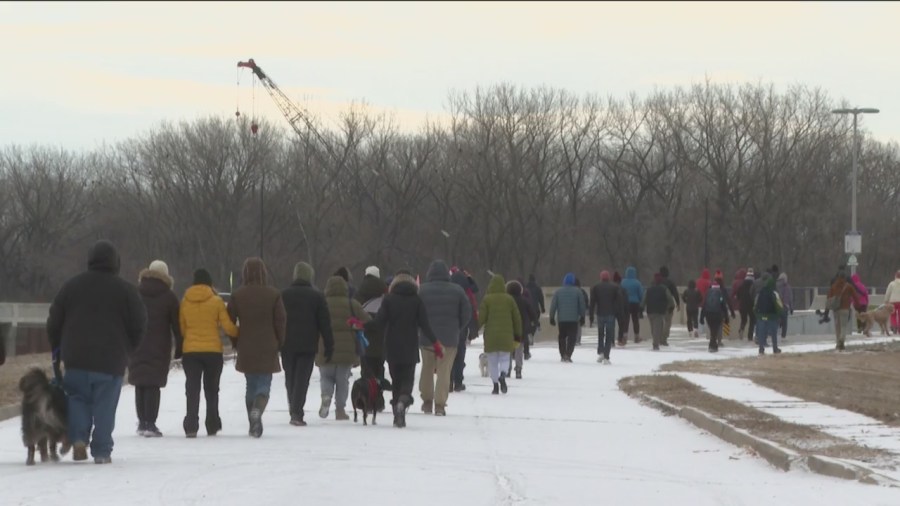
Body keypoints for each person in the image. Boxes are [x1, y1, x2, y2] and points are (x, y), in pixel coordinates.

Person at [47, 240, 147, 464]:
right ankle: (102, 450)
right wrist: (129, 349)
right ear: (116, 263)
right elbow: (140, 324)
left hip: (76, 357)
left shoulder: (71, 286)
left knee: (78, 399)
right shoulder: (126, 291)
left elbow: (54, 321)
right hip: (111, 359)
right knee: (105, 405)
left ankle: (79, 439)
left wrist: (56, 349)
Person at [358, 271, 442, 428]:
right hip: (410, 346)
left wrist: (362, 325)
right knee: (407, 380)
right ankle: (403, 402)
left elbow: (378, 323)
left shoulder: (389, 300)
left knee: (396, 381)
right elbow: (425, 325)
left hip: (391, 346)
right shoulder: (417, 301)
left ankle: (397, 414)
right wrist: (435, 343)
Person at [227, 257, 286, 438]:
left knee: (250, 385)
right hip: (268, 345)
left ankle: (253, 422)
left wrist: (235, 340)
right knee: (264, 385)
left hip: (246, 345)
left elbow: (229, 321)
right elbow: (281, 321)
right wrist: (279, 342)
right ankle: (257, 412)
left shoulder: (238, 295)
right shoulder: (274, 294)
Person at [179, 268, 238, 438]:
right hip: (213, 352)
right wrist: (239, 332)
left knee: (192, 388)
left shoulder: (185, 302)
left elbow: (182, 328)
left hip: (191, 352)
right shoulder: (217, 301)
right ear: (210, 283)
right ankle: (212, 423)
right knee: (212, 389)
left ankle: (191, 424)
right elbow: (228, 327)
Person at [129, 260, 182, 438]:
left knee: (140, 382)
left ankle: (142, 421)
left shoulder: (135, 293)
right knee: (153, 384)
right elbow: (177, 325)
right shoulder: (169, 296)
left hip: (136, 343)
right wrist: (180, 347)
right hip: (159, 345)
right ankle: (150, 423)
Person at [281, 261, 333, 426]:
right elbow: (324, 322)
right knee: (302, 378)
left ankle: (293, 407)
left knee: (290, 377)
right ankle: (297, 412)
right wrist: (329, 344)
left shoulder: (284, 294)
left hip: (287, 343)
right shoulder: (317, 296)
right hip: (308, 344)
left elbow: (277, 319)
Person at [418, 260, 470, 416]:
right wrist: (457, 328)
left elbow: (415, 312)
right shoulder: (457, 290)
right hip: (449, 338)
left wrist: (420, 329)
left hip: (427, 338)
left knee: (427, 369)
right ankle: (440, 404)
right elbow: (466, 313)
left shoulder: (422, 290)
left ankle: (427, 401)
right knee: (444, 371)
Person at [319, 275, 368, 421]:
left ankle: (326, 396)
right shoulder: (352, 304)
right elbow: (367, 321)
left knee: (326, 377)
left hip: (325, 347)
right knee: (343, 380)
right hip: (347, 349)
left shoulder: (322, 303)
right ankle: (340, 410)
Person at [478, 274, 522, 394]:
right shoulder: (509, 299)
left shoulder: (487, 299)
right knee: (504, 358)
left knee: (492, 361)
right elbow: (516, 318)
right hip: (506, 336)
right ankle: (503, 374)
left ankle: (495, 385)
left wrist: (473, 330)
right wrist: (518, 334)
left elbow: (481, 318)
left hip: (491, 337)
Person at [355, 265, 388, 386]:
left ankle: (367, 391)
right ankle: (378, 388)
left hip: (364, 334)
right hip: (381, 334)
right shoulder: (384, 291)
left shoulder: (359, 292)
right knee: (379, 364)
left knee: (366, 366)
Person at [450, 267, 479, 392]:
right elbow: (469, 312)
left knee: (449, 355)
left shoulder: (448, 292)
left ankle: (449, 380)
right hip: (461, 328)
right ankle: (458, 381)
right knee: (460, 355)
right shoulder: (466, 294)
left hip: (448, 328)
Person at [549, 273, 586, 362]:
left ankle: (563, 354)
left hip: (562, 319)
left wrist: (552, 317)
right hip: (573, 319)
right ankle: (568, 354)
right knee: (572, 338)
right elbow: (582, 305)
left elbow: (553, 305)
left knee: (562, 337)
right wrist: (582, 317)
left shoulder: (558, 292)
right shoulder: (578, 291)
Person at [506, 279, 537, 377]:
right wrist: (533, 323)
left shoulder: (506, 300)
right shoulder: (525, 300)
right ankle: (518, 368)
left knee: (508, 349)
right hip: (521, 328)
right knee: (519, 349)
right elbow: (532, 314)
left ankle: (508, 368)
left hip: (508, 328)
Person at [589, 270, 620, 364]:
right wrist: (619, 314)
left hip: (600, 313)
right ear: (608, 277)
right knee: (609, 335)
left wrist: (591, 315)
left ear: (601, 277)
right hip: (611, 313)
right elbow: (618, 302)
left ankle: (601, 352)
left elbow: (592, 303)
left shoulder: (596, 287)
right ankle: (606, 356)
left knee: (600, 334)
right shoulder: (614, 287)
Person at [642, 273, 675, 351]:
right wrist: (671, 306)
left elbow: (644, 299)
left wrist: (641, 307)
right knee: (657, 328)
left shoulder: (649, 289)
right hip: (659, 311)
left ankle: (655, 341)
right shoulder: (664, 289)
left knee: (653, 328)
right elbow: (670, 299)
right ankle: (655, 344)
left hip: (650, 310)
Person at [827, 273, 859, 351]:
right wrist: (857, 306)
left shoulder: (834, 286)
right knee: (843, 326)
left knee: (837, 327)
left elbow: (828, 297)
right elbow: (855, 296)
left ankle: (838, 343)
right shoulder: (848, 286)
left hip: (836, 309)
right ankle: (842, 340)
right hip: (845, 308)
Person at [699, 278, 730, 353]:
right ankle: (712, 346)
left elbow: (704, 305)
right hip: (717, 314)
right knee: (715, 330)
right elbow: (723, 306)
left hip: (708, 314)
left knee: (713, 330)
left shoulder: (708, 293)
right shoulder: (720, 293)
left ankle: (713, 345)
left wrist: (701, 317)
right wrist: (726, 317)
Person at [754, 275, 783, 355]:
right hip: (772, 316)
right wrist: (779, 314)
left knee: (761, 333)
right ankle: (775, 348)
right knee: (773, 333)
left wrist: (756, 313)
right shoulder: (774, 293)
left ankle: (761, 349)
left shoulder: (760, 292)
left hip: (761, 316)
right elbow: (779, 305)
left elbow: (756, 304)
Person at [620, 267, 645, 343]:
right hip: (635, 303)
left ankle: (624, 336)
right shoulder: (637, 283)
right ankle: (637, 337)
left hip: (625, 303)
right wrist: (641, 302)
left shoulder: (622, 282)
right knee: (635, 320)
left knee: (626, 320)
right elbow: (641, 294)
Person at [659, 266, 680, 345]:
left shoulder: (657, 282)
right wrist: (678, 303)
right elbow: (675, 293)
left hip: (659, 304)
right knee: (668, 322)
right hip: (668, 304)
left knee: (660, 322)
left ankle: (660, 337)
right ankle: (664, 338)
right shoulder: (670, 282)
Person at [737, 269, 756, 342]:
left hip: (742, 305)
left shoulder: (742, 284)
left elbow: (738, 295)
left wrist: (740, 299)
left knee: (744, 319)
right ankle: (750, 336)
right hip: (751, 304)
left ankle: (741, 329)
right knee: (752, 320)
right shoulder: (754, 284)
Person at [776, 272, 794, 340]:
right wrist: (791, 308)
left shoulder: (776, 285)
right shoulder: (788, 287)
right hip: (785, 307)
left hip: (777, 306)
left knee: (776, 321)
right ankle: (783, 336)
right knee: (785, 323)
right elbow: (790, 299)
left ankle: (772, 334)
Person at [612, 271, 629, 346]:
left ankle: (611, 340)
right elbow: (626, 301)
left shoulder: (611, 288)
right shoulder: (623, 289)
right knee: (621, 325)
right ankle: (620, 339)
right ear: (620, 280)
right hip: (621, 309)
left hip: (612, 309)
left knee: (611, 325)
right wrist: (626, 310)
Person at [575, 278, 588, 345]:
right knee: (578, 326)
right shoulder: (582, 291)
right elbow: (586, 301)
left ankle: (572, 339)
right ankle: (578, 340)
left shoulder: (571, 291)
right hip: (580, 311)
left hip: (572, 311)